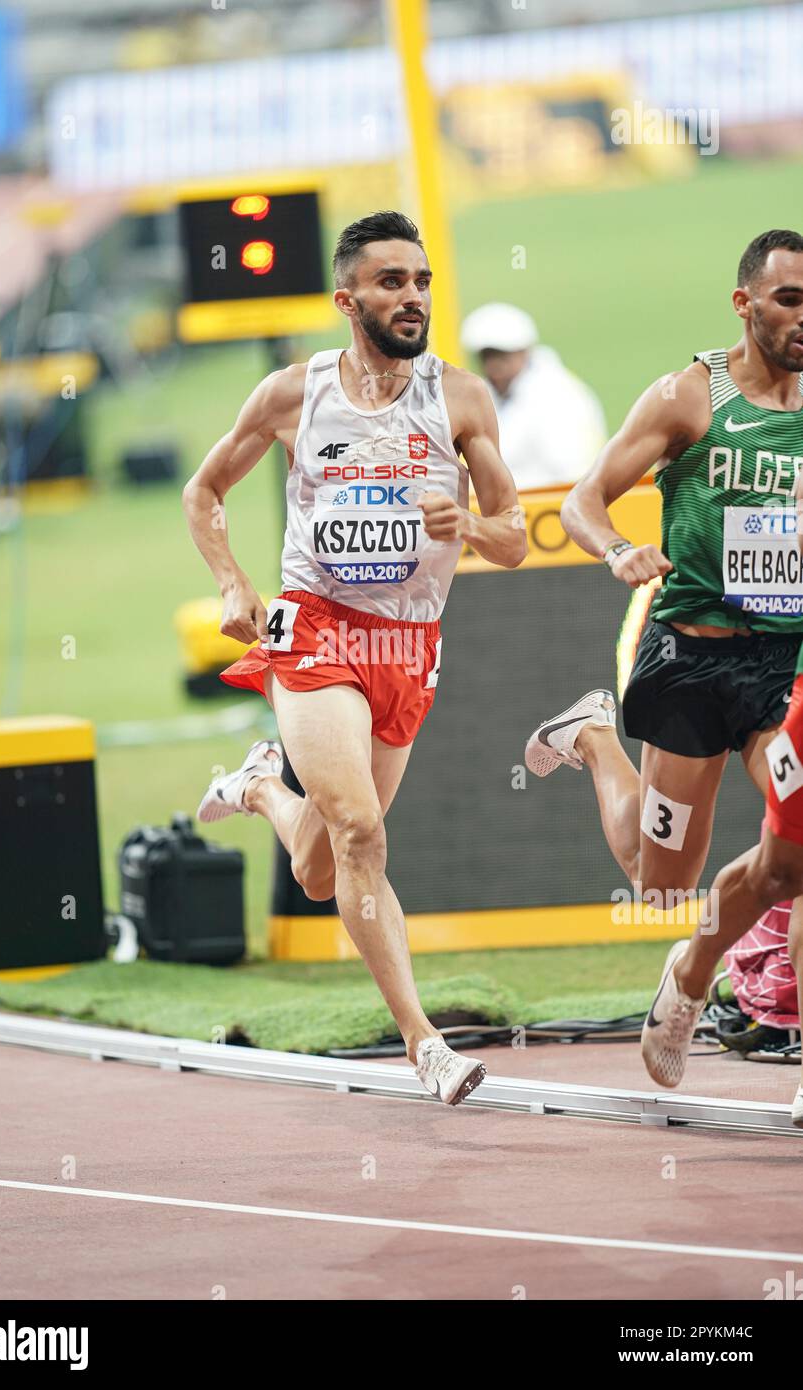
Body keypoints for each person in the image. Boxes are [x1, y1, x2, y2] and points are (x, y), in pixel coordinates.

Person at [182, 210, 527, 1105]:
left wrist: (473, 525)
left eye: (419, 282)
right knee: (365, 831)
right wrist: (231, 584)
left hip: (407, 643)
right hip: (316, 625)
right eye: (390, 283)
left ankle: (260, 787)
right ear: (347, 298)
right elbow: (204, 490)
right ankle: (426, 1045)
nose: (411, 298)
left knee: (324, 863)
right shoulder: (293, 395)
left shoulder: (460, 399)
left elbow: (517, 540)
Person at [522, 230, 803, 1072]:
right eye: (789, 299)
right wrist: (616, 550)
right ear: (744, 303)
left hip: (782, 669)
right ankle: (594, 737)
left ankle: (695, 977)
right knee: (662, 881)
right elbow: (582, 499)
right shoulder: (691, 396)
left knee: (791, 857)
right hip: (690, 657)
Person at [641, 460, 803, 1117]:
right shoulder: (711, 412)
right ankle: (692, 970)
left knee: (793, 873)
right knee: (682, 880)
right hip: (742, 672)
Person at [460, 301, 606, 489]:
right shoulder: (489, 394)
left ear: (524, 352)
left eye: (502, 356)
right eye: (487, 357)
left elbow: (571, 472)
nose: (494, 365)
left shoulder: (560, 396)